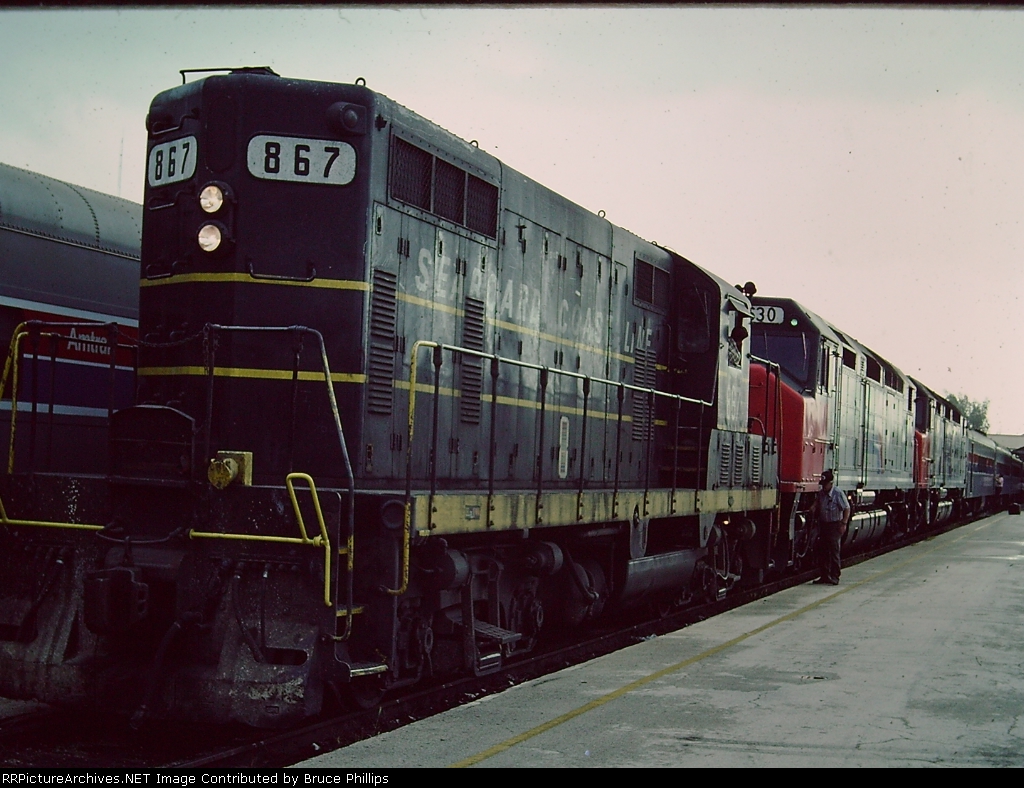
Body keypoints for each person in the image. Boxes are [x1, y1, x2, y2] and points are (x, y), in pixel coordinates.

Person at [814, 469, 850, 585]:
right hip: (824, 525)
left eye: (825, 485)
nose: (823, 487)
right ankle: (824, 576)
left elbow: (846, 508)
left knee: (834, 551)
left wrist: (844, 523)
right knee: (823, 551)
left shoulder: (838, 493)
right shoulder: (821, 494)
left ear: (831, 483)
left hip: (835, 525)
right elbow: (818, 502)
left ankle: (835, 576)